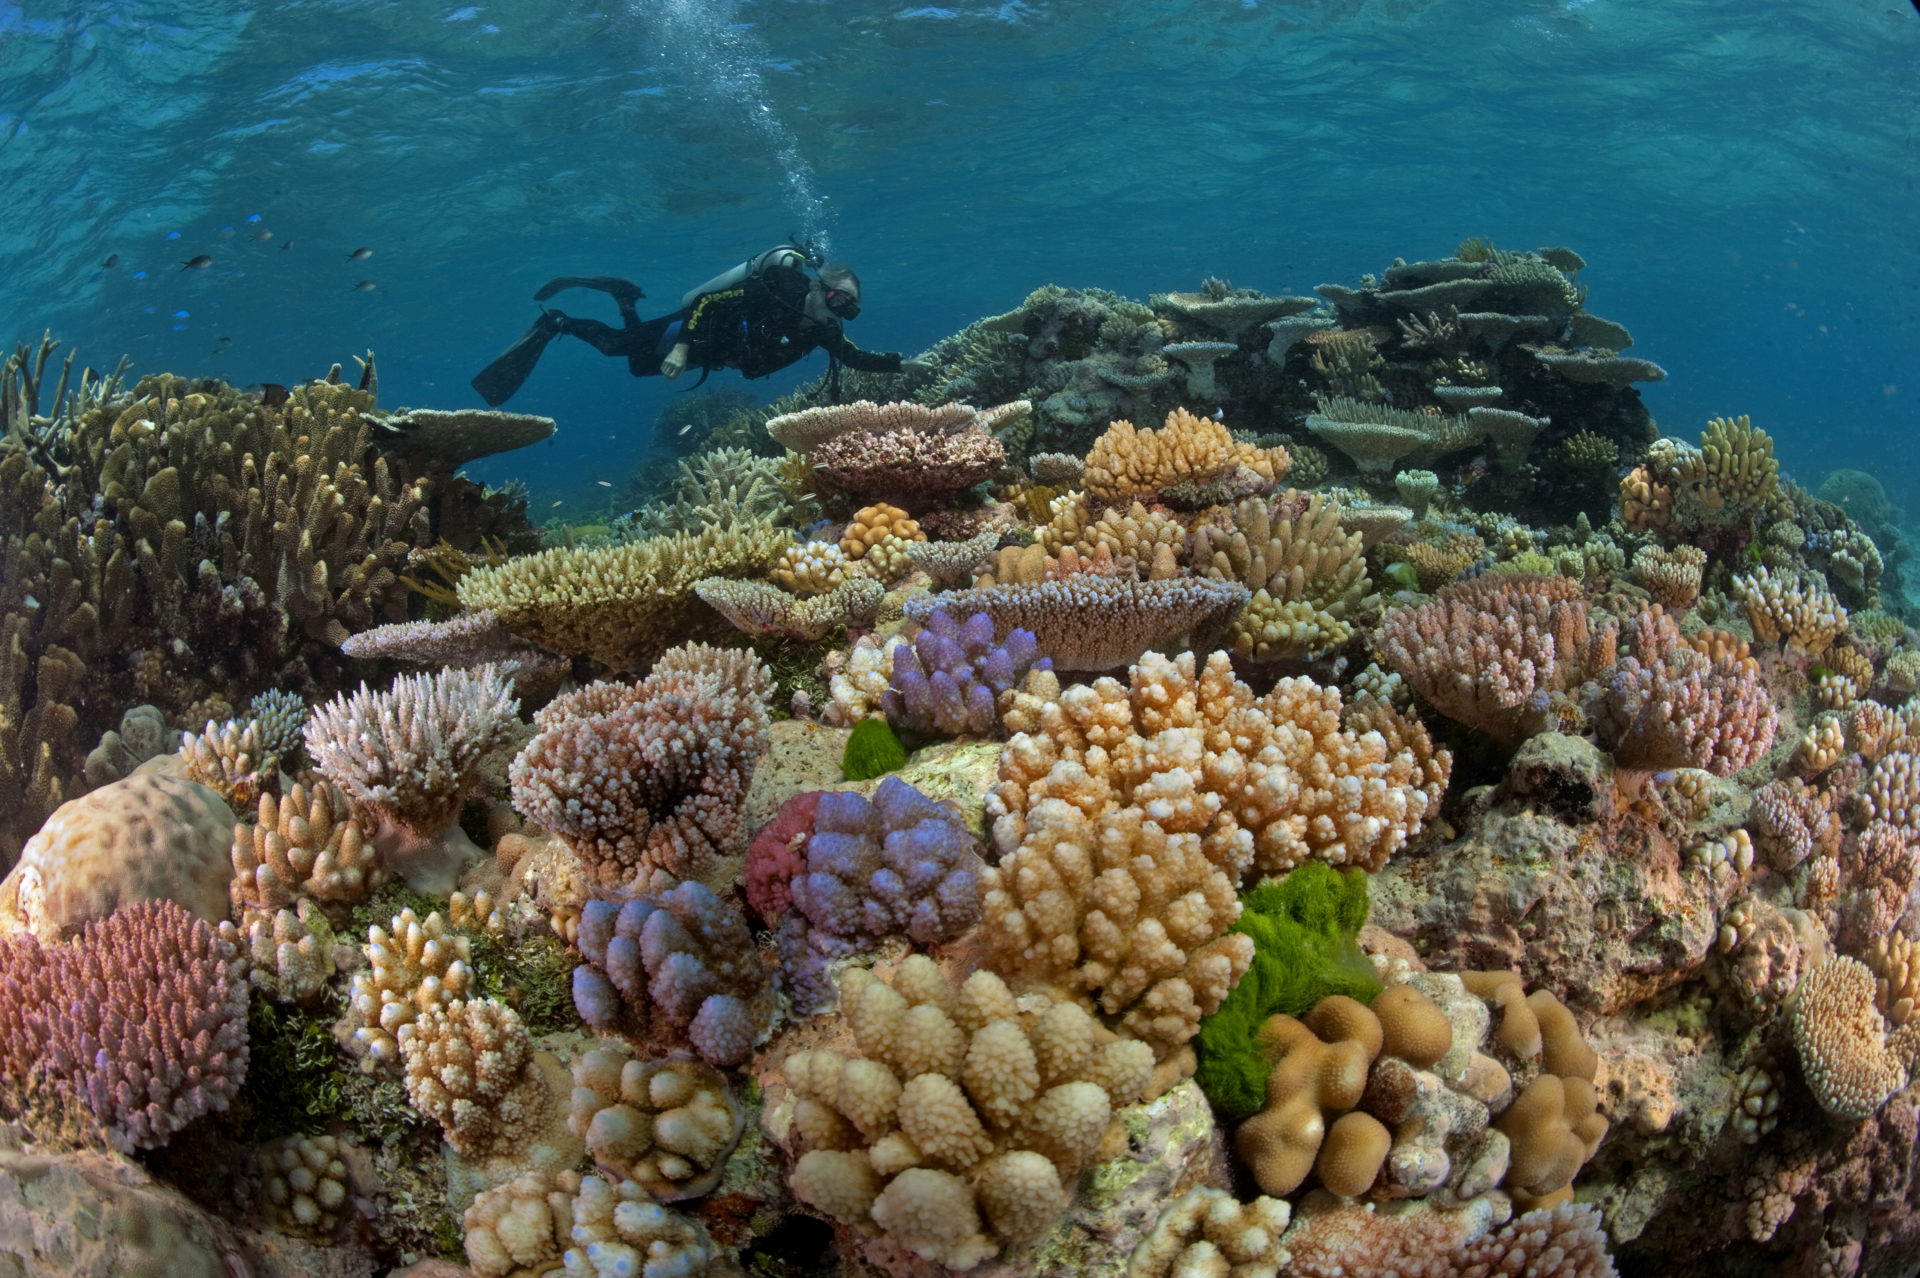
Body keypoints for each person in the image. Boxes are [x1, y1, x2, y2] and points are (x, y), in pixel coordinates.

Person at [471, 244, 931, 406]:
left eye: (849, 308)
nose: (838, 312)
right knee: (616, 348)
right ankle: (559, 321)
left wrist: (900, 366)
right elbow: (708, 304)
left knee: (634, 366)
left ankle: (624, 298)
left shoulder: (823, 330)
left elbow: (853, 358)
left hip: (714, 355)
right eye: (836, 299)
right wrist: (681, 349)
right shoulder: (769, 291)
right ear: (816, 288)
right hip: (691, 334)